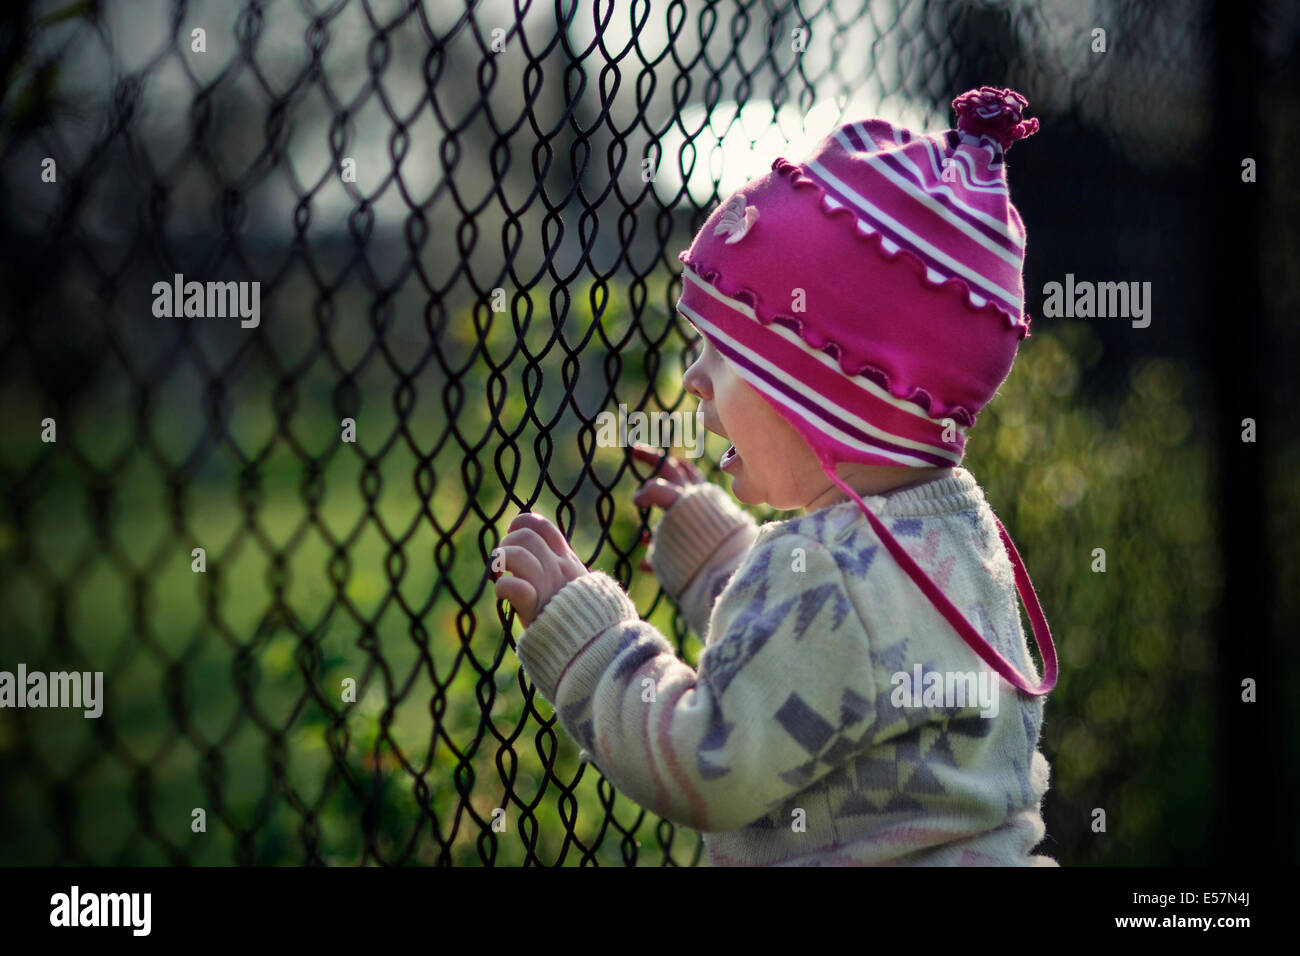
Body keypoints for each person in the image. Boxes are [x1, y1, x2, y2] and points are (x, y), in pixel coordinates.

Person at [493, 86, 1059, 865]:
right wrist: (729, 562)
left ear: (816, 399)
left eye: (722, 351)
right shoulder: (961, 535)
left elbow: (707, 763)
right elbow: (839, 665)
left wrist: (588, 639)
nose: (694, 378)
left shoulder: (828, 577)